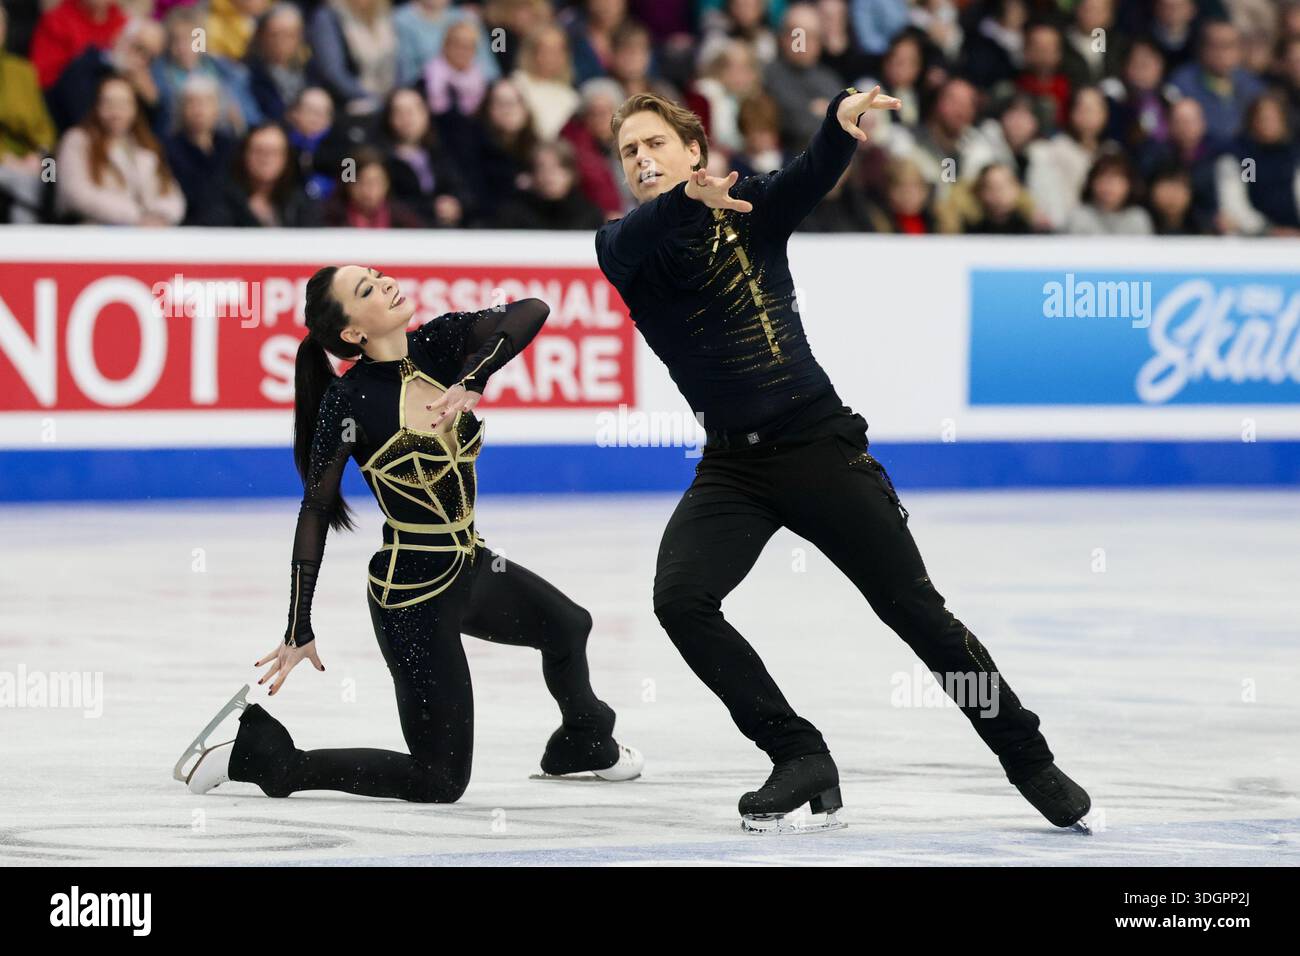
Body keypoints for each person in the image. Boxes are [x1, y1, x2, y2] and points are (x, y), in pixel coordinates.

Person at [595, 86, 1091, 833]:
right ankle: (798, 754)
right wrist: (690, 201)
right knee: (680, 600)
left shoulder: (753, 209)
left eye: (655, 143)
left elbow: (808, 173)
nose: (641, 158)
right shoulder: (621, 244)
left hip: (819, 445)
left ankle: (1027, 756)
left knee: (916, 613)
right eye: (629, 151)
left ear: (694, 149)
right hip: (733, 468)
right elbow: (645, 232)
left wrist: (834, 124)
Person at [177, 270, 643, 801]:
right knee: (439, 780)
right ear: (352, 332)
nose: (385, 283)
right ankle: (267, 759)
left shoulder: (439, 346)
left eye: (376, 275)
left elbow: (532, 309)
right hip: (412, 599)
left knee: (567, 626)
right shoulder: (348, 401)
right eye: (367, 290)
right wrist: (297, 624)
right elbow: (315, 510)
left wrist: (475, 376)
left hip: (469, 561)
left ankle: (582, 743)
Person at [54, 73, 185, 225]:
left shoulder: (147, 145)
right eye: (109, 103)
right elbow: (75, 194)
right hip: (93, 233)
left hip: (147, 235)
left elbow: (172, 195)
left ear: (135, 108)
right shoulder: (77, 140)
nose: (116, 112)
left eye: (124, 104)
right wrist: (135, 217)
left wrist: (160, 216)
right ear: (96, 106)